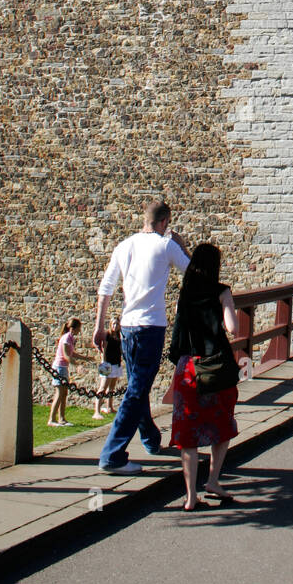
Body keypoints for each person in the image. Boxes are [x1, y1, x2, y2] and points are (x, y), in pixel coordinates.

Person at [93, 200, 189, 474]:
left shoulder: (124, 246)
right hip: (151, 327)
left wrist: (100, 326)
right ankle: (112, 454)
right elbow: (193, 273)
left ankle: (150, 439)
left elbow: (106, 288)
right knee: (136, 390)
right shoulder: (166, 245)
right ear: (165, 223)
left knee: (139, 385)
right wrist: (182, 246)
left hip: (128, 327)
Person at [168, 242, 240, 512]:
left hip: (188, 367)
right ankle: (212, 480)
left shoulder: (184, 293)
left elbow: (178, 331)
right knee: (222, 424)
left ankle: (190, 497)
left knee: (187, 433)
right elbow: (233, 328)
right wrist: (227, 310)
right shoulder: (222, 291)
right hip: (215, 367)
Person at [48, 318, 90, 426]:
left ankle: (61, 418)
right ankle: (52, 419)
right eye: (79, 328)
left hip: (63, 368)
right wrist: (77, 366)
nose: (79, 331)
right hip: (59, 367)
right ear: (73, 328)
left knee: (64, 393)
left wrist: (85, 358)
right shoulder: (66, 338)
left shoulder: (70, 338)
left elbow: (72, 353)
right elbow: (66, 356)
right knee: (59, 393)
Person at [93, 317, 123, 420]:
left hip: (116, 363)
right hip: (107, 363)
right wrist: (104, 363)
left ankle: (109, 407)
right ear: (110, 324)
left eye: (117, 324)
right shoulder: (107, 335)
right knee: (102, 387)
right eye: (113, 324)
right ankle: (96, 411)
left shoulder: (119, 335)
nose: (115, 326)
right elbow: (104, 350)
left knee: (112, 387)